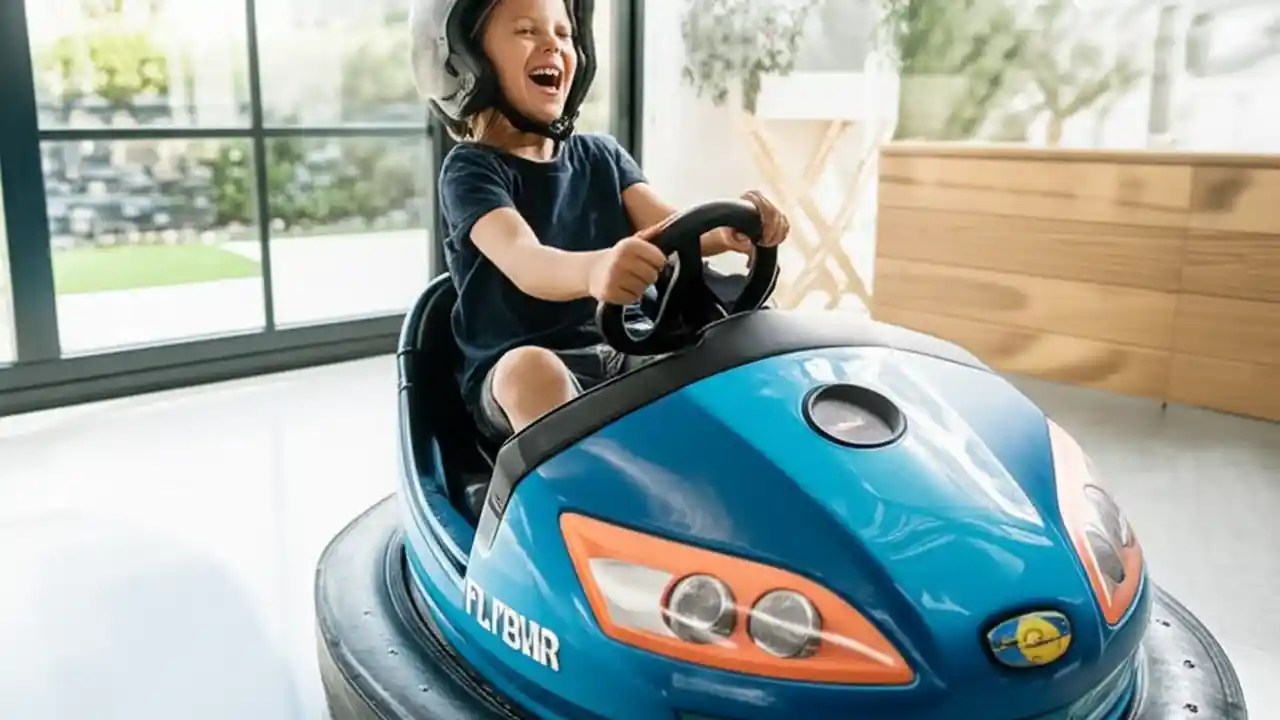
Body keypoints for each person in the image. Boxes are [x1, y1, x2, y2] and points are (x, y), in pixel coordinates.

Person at [411, 0, 791, 442]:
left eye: (565, 33)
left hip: (629, 346)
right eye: (527, 31)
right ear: (463, 62)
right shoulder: (471, 171)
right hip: (520, 371)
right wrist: (595, 270)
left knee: (718, 356)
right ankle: (581, 498)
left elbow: (671, 226)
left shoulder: (603, 156)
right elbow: (525, 259)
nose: (553, 43)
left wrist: (726, 233)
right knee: (529, 372)